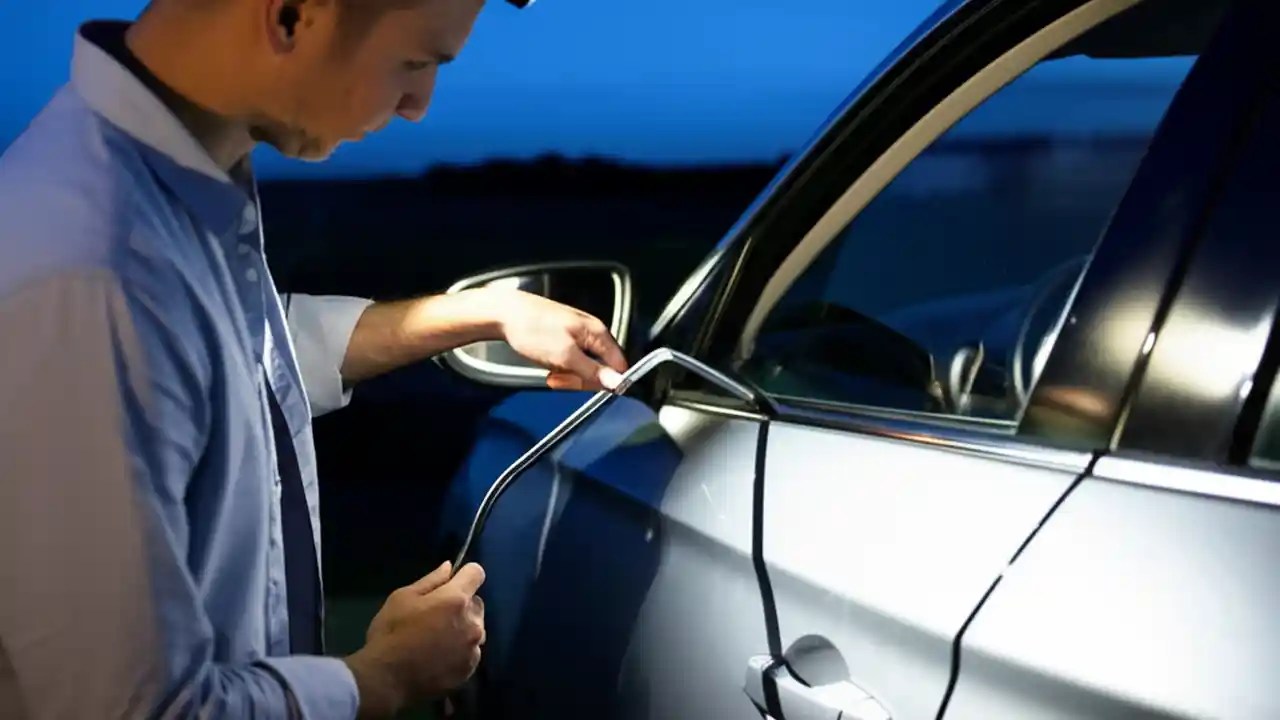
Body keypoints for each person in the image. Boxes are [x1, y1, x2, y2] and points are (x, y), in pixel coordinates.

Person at [0, 0, 629, 718]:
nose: (419, 106)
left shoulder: (172, 191)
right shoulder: (90, 275)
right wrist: (382, 677)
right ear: (293, 16)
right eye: (416, 62)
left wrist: (482, 313)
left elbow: (231, 362)